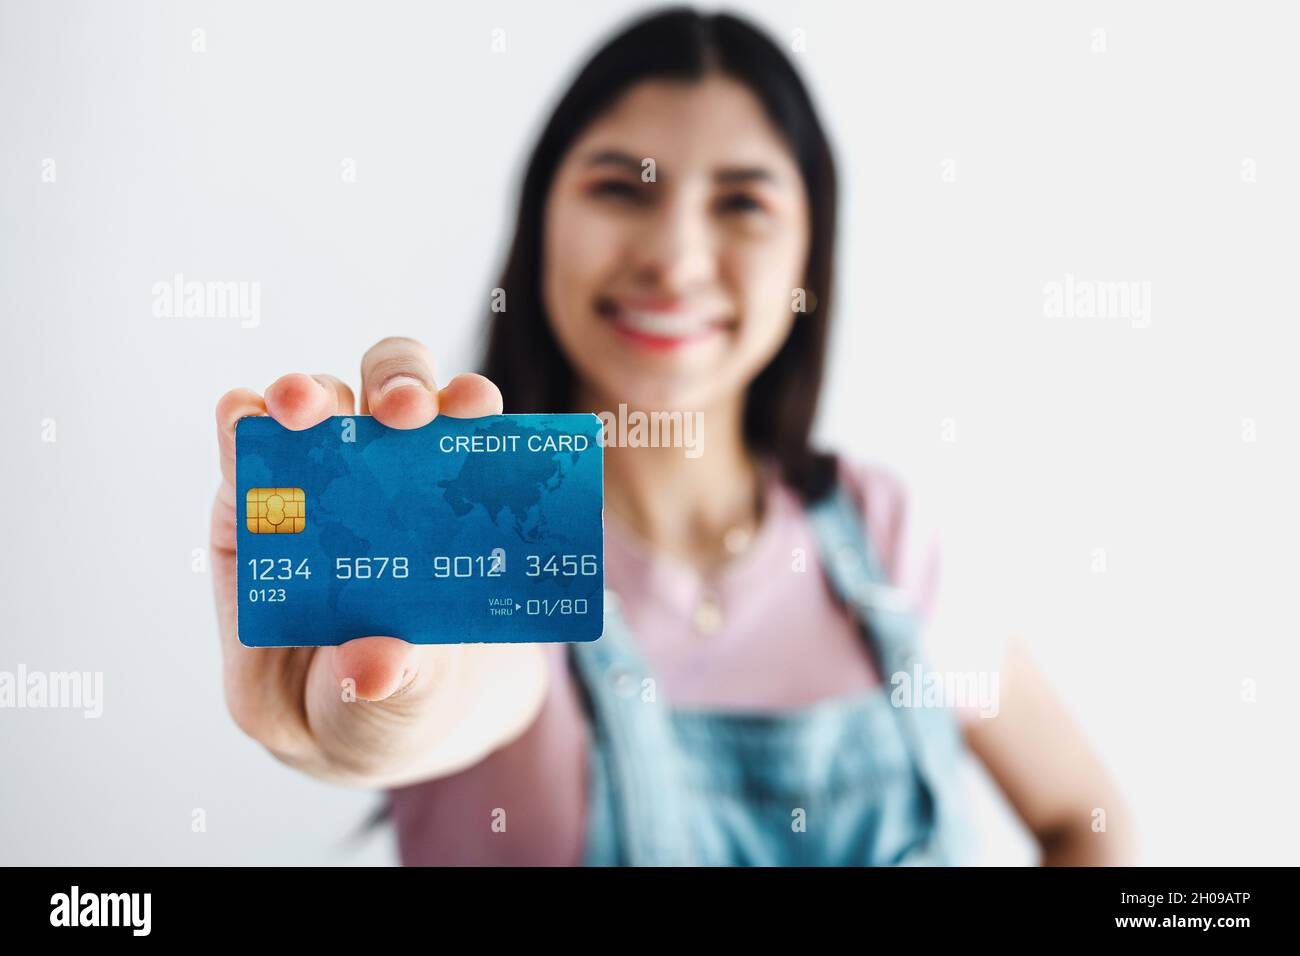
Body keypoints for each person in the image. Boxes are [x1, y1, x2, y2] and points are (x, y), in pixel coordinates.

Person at [210, 8, 1134, 865]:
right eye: (621, 189)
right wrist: (376, 712)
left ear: (809, 250)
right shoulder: (489, 526)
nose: (677, 257)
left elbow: (1083, 820)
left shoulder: (885, 532)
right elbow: (460, 691)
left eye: (742, 203)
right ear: (541, 228)